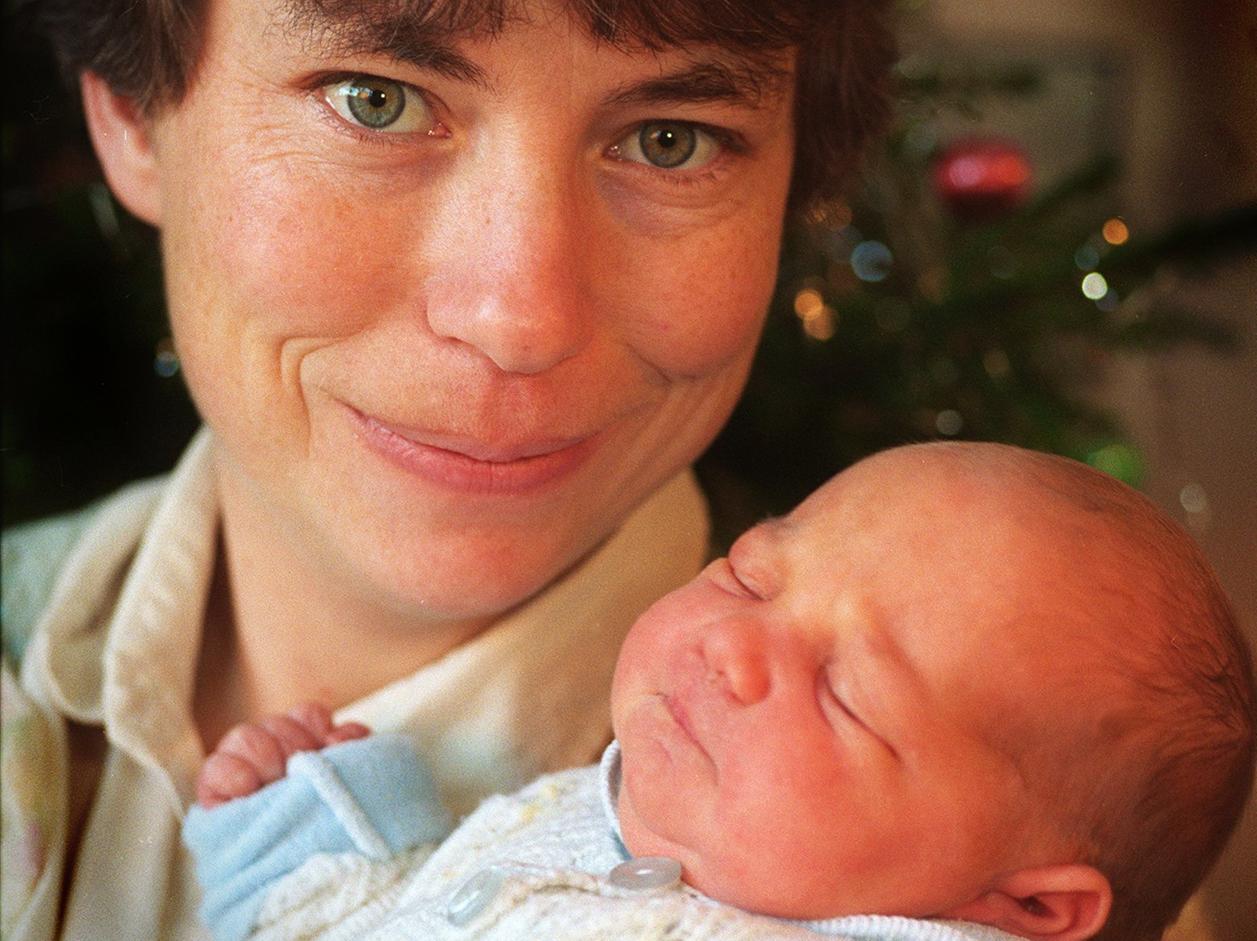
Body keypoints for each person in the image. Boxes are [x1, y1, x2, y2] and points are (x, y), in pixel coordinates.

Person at [0, 1, 900, 938]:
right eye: (374, 101)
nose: (520, 320)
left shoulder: (959, 867)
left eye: (670, 142)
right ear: (135, 119)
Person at [181, 443, 1256, 941]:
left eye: (847, 696)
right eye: (749, 573)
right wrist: (308, 837)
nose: (735, 645)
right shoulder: (566, 817)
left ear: (1023, 908)